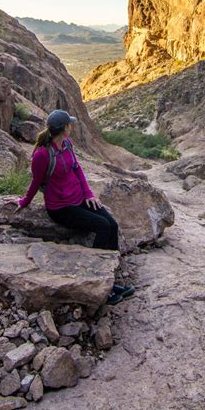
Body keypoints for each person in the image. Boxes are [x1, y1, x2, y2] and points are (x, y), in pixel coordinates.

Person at [17, 109, 134, 305]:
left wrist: (88, 194)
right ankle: (97, 281)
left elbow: (77, 169)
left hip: (79, 198)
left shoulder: (67, 144)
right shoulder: (42, 155)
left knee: (112, 225)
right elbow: (35, 183)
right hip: (60, 208)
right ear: (64, 128)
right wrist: (23, 202)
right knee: (102, 226)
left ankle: (110, 281)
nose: (72, 125)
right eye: (69, 123)